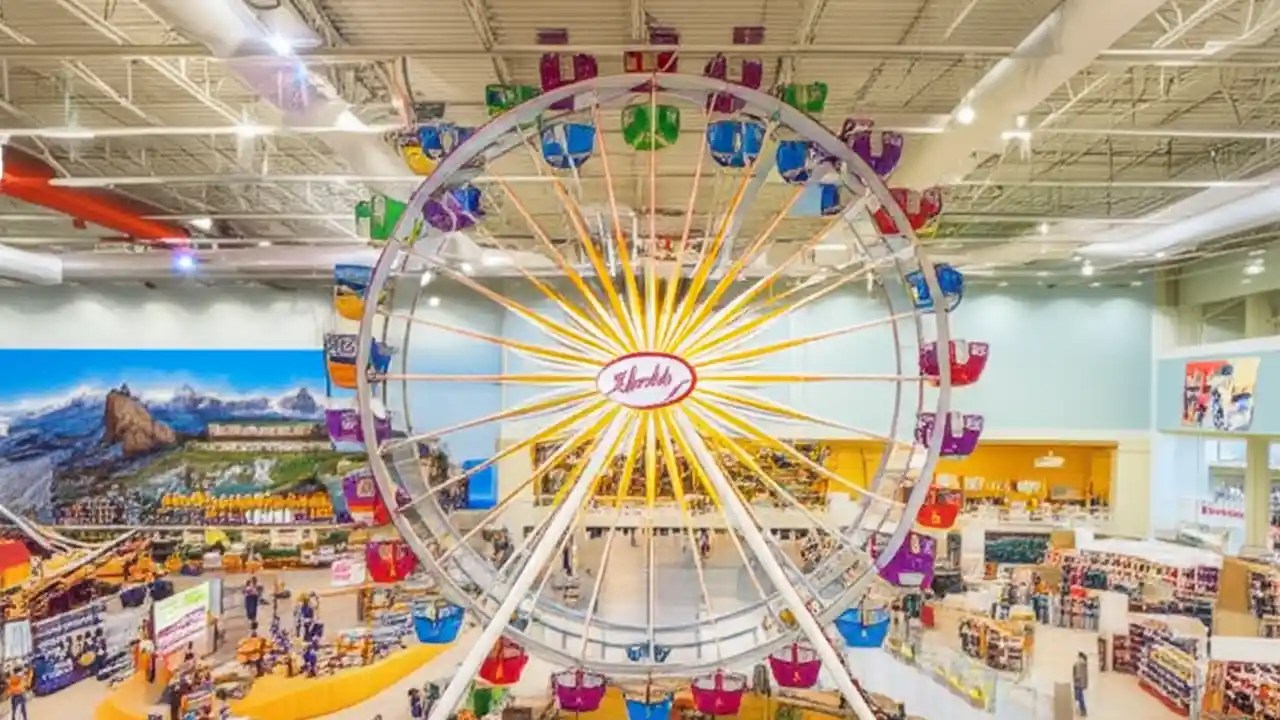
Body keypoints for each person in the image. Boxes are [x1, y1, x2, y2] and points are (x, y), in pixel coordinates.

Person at [1072, 651, 1088, 717]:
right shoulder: (1084, 663)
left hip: (1078, 682)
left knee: (1080, 697)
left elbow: (1077, 674)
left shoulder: (1079, 663)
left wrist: (1075, 679)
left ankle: (1083, 711)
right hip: (1082, 682)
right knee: (1079, 696)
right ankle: (1081, 710)